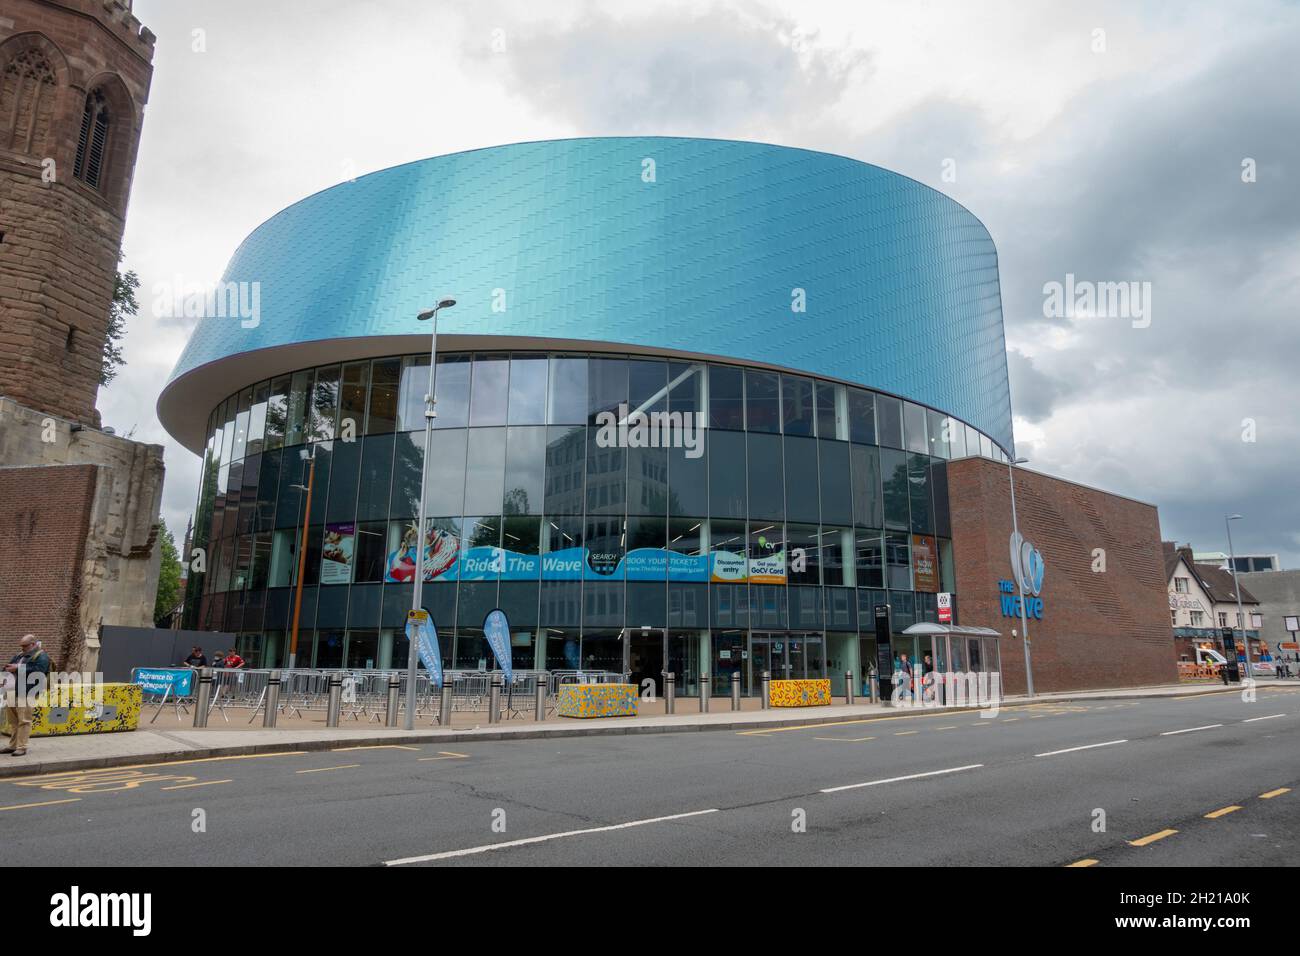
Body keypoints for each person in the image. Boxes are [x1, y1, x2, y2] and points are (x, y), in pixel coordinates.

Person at [3, 634, 51, 758]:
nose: (22, 648)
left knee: (24, 721)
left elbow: (38, 671)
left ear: (33, 644)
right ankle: (13, 745)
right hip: (13, 692)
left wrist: (18, 668)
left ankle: (22, 747)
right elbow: (9, 666)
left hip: (27, 693)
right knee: (14, 722)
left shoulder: (42, 656)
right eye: (21, 646)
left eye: (25, 646)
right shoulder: (20, 655)